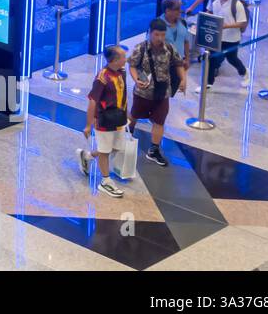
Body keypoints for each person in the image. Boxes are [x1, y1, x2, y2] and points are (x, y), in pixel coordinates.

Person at [127, 18, 188, 167]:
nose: (160, 38)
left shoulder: (170, 48)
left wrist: (183, 80)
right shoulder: (140, 48)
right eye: (156, 35)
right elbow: (133, 66)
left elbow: (178, 64)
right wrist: (136, 80)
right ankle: (126, 136)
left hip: (162, 93)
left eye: (162, 34)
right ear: (150, 33)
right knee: (134, 115)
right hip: (143, 93)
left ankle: (154, 150)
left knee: (159, 121)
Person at [78, 45, 130, 197]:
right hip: (104, 120)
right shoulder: (102, 78)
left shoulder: (121, 72)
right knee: (106, 151)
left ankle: (87, 156)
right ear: (114, 60)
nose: (125, 59)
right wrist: (88, 125)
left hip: (119, 119)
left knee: (115, 148)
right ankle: (105, 182)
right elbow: (92, 101)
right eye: (123, 57)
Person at [205, 0, 250, 88]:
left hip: (231, 39)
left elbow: (242, 22)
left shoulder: (237, 4)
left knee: (232, 58)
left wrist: (226, 26)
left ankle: (244, 72)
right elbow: (209, 11)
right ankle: (208, 84)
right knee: (211, 59)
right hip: (216, 36)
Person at [161, 0, 192, 64]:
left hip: (180, 63)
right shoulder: (157, 25)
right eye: (177, 9)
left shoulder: (183, 22)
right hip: (162, 65)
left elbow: (186, 42)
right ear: (167, 11)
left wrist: (187, 59)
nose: (180, 11)